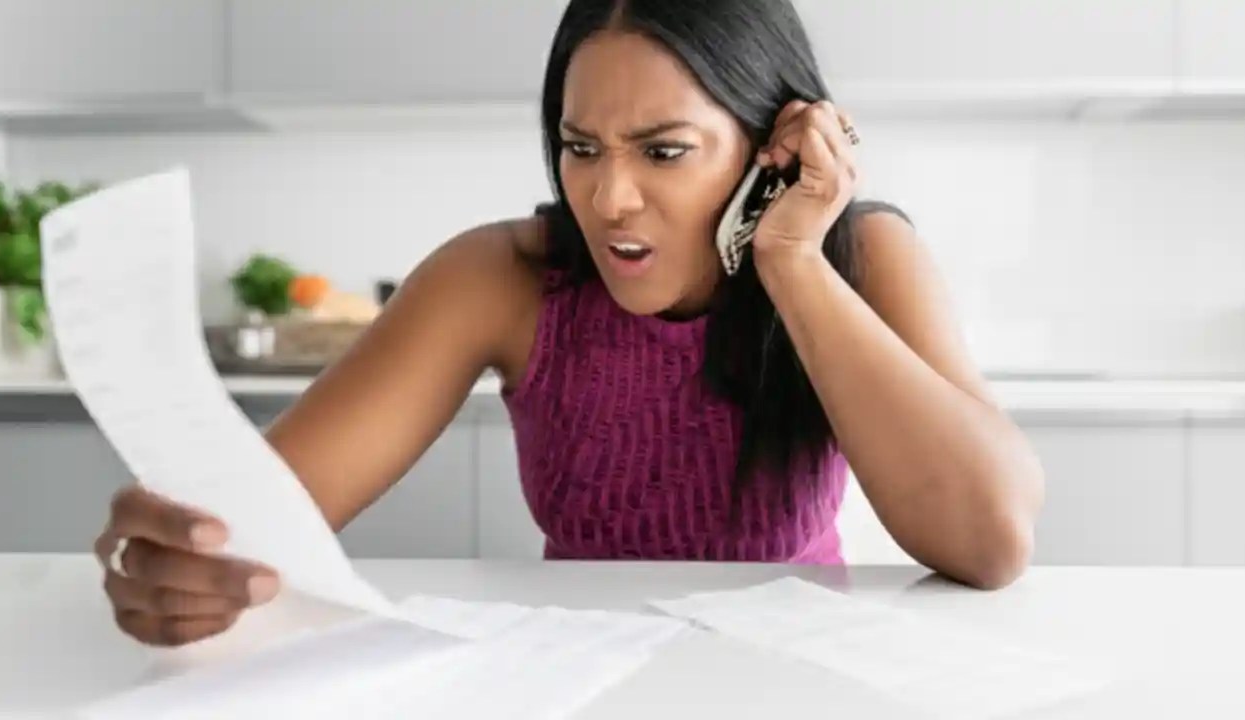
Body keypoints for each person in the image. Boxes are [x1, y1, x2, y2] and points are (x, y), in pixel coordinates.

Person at [94, 0, 1045, 647]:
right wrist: (181, 557)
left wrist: (789, 258)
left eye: (664, 152)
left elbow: (991, 541)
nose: (609, 198)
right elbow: (264, 520)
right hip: (577, 679)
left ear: (772, 153)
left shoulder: (860, 258)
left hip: (792, 687)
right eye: (580, 148)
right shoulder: (502, 276)